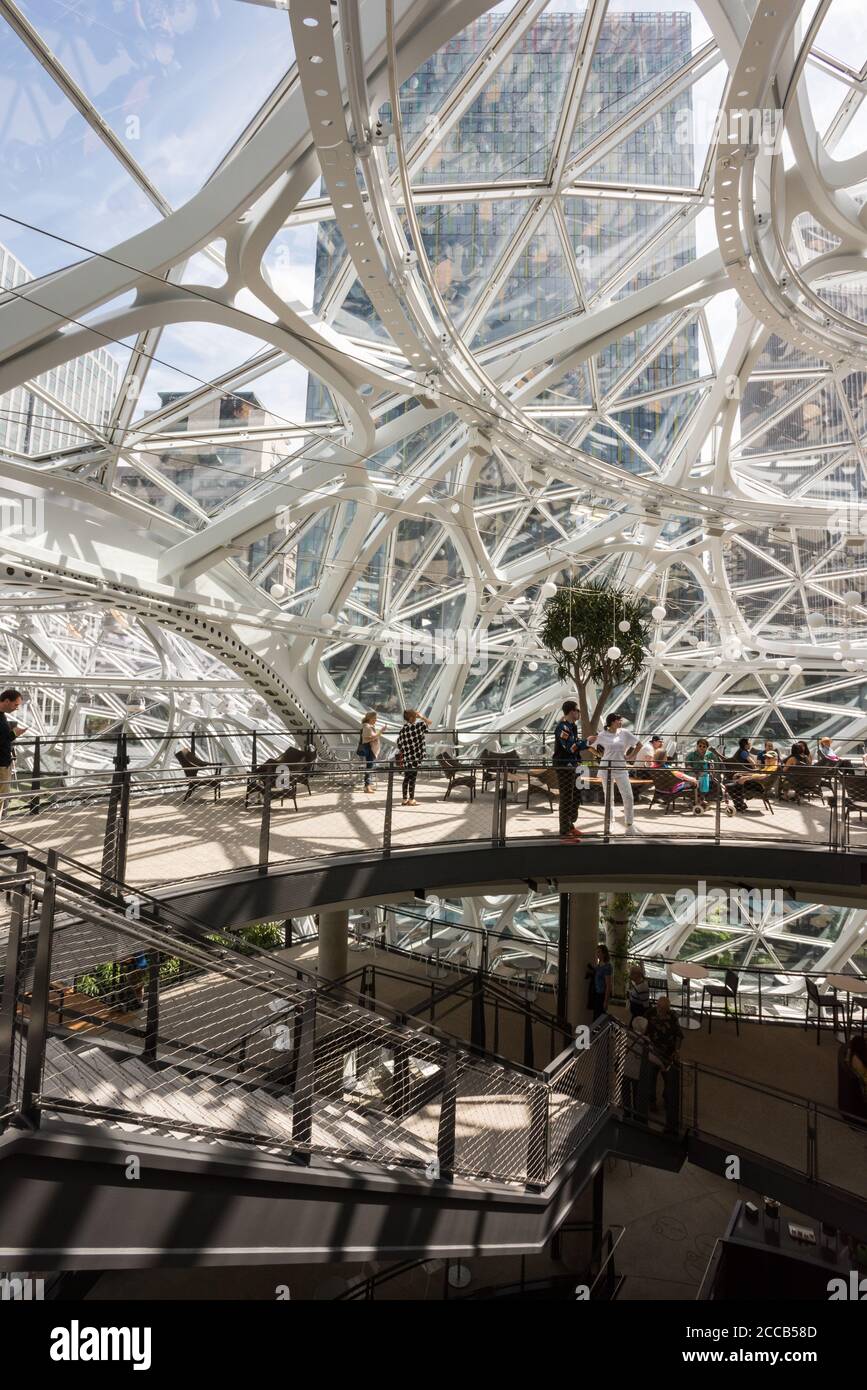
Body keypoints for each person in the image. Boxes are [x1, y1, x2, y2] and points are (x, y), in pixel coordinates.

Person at [552, 700, 595, 841]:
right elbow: (570, 748)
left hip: (574, 766)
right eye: (578, 710)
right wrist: (587, 742)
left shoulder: (572, 726)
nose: (579, 713)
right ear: (571, 711)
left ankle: (570, 826)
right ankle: (564, 832)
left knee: (575, 797)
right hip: (565, 767)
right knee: (566, 798)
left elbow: (575, 746)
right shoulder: (563, 728)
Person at [595, 712, 643, 832]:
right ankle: (610, 822)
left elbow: (639, 744)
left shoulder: (625, 733)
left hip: (621, 768)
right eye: (619, 720)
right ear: (612, 722)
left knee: (628, 796)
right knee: (608, 797)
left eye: (621, 720)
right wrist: (599, 755)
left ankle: (629, 823)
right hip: (607, 769)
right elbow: (590, 745)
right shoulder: (602, 735)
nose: (621, 722)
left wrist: (630, 756)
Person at [646, 995, 684, 1132]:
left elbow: (679, 1035)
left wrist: (677, 1050)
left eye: (665, 1009)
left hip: (668, 1055)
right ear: (657, 1006)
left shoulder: (672, 1016)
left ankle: (667, 1098)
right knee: (650, 1077)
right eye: (661, 1009)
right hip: (653, 1052)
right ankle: (651, 1101)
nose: (663, 1012)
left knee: (669, 1079)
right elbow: (642, 1029)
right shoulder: (650, 1014)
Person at [396, 708, 431, 805]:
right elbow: (429, 722)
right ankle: (411, 799)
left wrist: (407, 749)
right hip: (416, 757)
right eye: (415, 716)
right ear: (411, 718)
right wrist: (422, 717)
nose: (416, 717)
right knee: (413, 778)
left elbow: (399, 744)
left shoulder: (403, 729)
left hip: (407, 757)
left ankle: (404, 799)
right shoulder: (418, 727)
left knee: (406, 778)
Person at [0, 689, 25, 819]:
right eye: (16, 705)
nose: (17, 708)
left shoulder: (2, 715)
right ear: (6, 701)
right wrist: (14, 734)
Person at [622, 1015, 650, 1121]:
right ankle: (638, 1115)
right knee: (637, 1094)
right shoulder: (646, 1041)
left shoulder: (627, 1035)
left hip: (626, 1069)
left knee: (625, 1093)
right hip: (638, 1072)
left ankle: (627, 1112)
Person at [357, 711, 380, 793]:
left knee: (369, 767)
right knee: (369, 767)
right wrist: (380, 733)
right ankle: (367, 787)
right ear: (370, 718)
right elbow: (368, 738)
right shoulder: (367, 727)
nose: (376, 720)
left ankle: (368, 786)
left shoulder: (369, 726)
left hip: (370, 749)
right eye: (374, 718)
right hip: (369, 749)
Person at [590, 943, 612, 1020]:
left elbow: (608, 985)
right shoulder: (599, 964)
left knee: (598, 1017)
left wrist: (606, 1001)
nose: (597, 954)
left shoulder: (607, 967)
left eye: (599, 952)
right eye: (597, 952)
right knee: (596, 1016)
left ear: (604, 953)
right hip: (596, 993)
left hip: (601, 995)